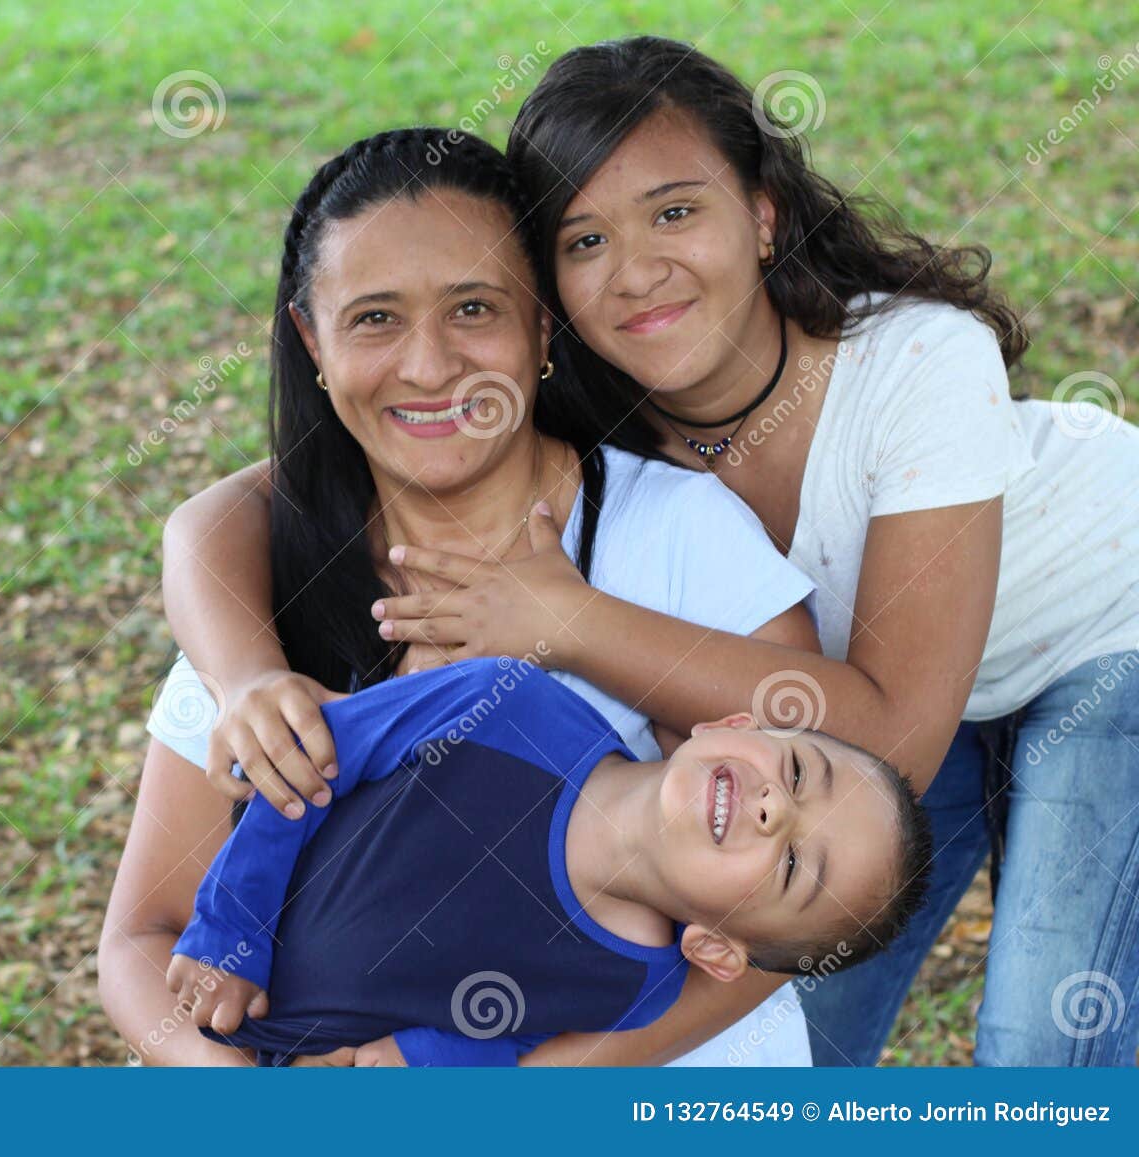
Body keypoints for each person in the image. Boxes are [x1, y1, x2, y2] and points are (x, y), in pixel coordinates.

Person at [102, 126, 826, 1068]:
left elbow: (813, 879)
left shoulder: (677, 535)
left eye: (474, 308)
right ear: (310, 343)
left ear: (540, 327)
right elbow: (141, 938)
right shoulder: (261, 596)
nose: (431, 365)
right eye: (374, 319)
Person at [166, 657, 932, 1066]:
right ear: (731, 723)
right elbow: (300, 766)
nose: (775, 808)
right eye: (798, 772)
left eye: (795, 864)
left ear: (719, 949)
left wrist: (419, 1059)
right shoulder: (509, 705)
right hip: (216, 998)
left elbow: (506, 1036)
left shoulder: (638, 984)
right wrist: (229, 929)